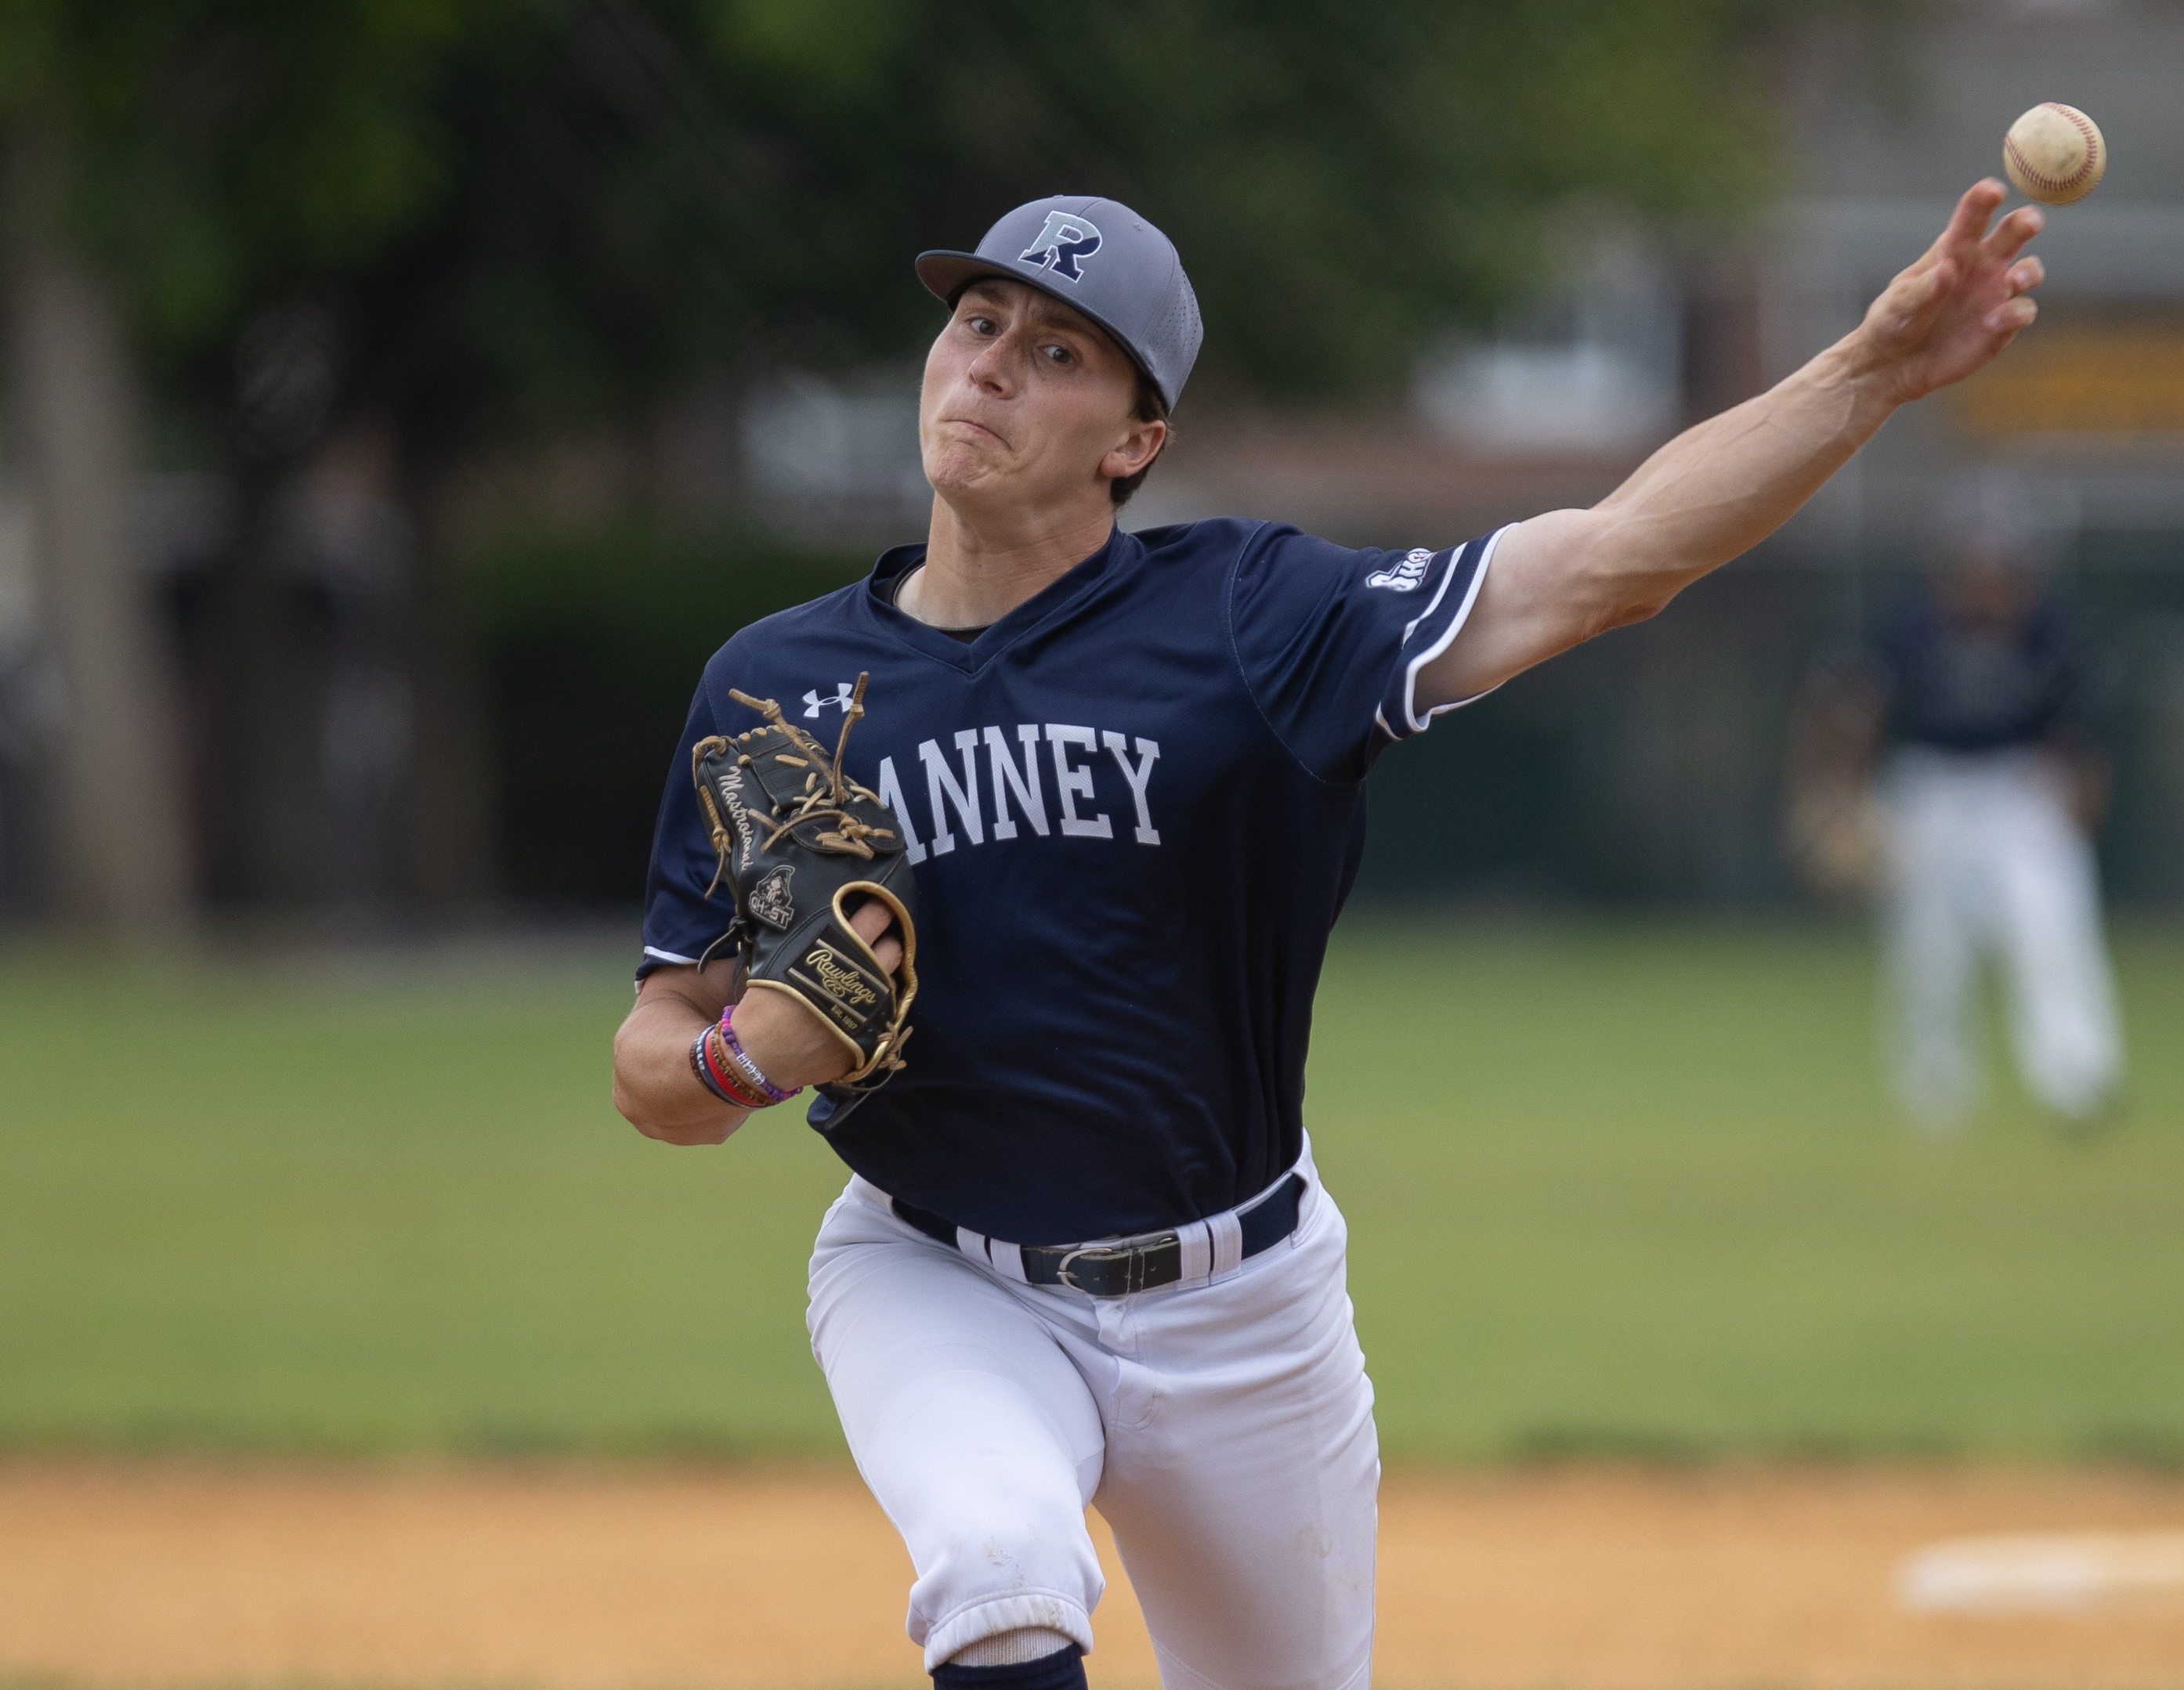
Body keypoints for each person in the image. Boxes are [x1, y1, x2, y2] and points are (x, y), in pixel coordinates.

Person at [610, 184, 2049, 1690]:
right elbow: (657, 1059)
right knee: (997, 1566)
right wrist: (736, 1059)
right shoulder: (777, 691)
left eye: (1057, 353)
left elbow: (1610, 559)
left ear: (1134, 441)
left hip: (1241, 1305)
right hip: (935, 1272)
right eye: (978, 324)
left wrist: (1870, 371)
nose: (988, 366)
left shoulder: (1248, 615)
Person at [1786, 475, 2124, 1129]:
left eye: (2000, 564)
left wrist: (2081, 791)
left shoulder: (2053, 625)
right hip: (1928, 787)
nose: (1986, 580)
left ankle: (2076, 1079)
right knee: (1927, 949)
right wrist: (1837, 795)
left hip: (2020, 787)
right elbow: (1849, 703)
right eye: (1973, 563)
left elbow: (2083, 729)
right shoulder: (1908, 620)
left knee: (2050, 929)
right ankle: (1933, 1095)